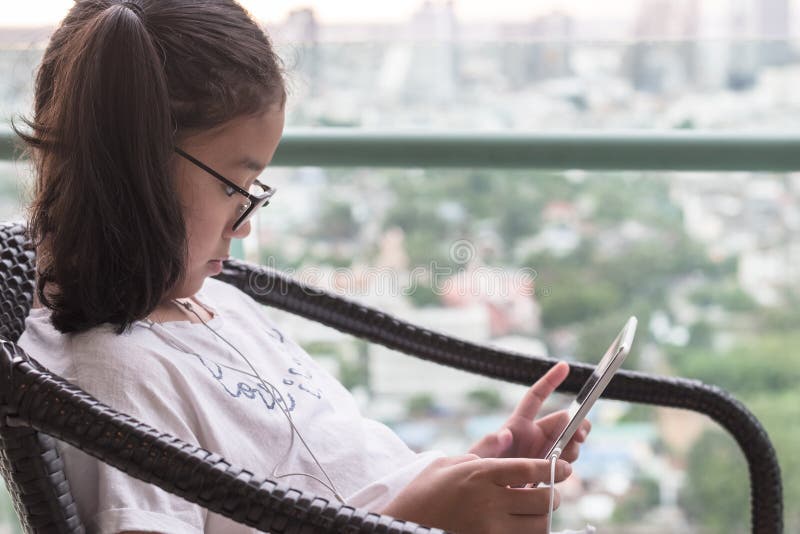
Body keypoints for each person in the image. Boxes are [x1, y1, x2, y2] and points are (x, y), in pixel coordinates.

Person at [13, 1, 591, 533]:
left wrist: (466, 475)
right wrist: (412, 518)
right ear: (133, 171)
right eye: (234, 187)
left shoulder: (218, 302)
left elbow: (326, 474)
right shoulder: (112, 383)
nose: (244, 225)